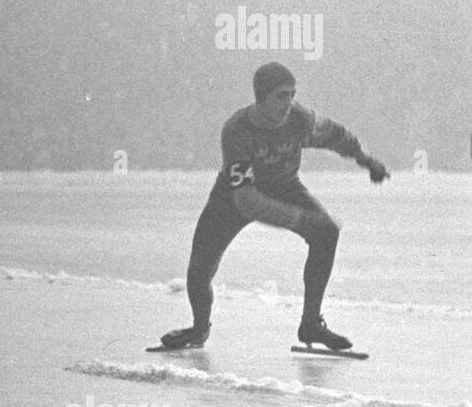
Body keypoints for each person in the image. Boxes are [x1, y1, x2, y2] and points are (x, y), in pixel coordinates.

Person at [160, 61, 388, 351]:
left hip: (284, 186)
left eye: (292, 95)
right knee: (199, 271)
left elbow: (335, 135)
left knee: (327, 232)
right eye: (281, 96)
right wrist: (299, 219)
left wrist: (367, 161)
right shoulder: (237, 130)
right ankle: (199, 328)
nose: (289, 103)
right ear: (261, 97)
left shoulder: (300, 118)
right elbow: (247, 200)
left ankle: (310, 324)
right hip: (232, 198)